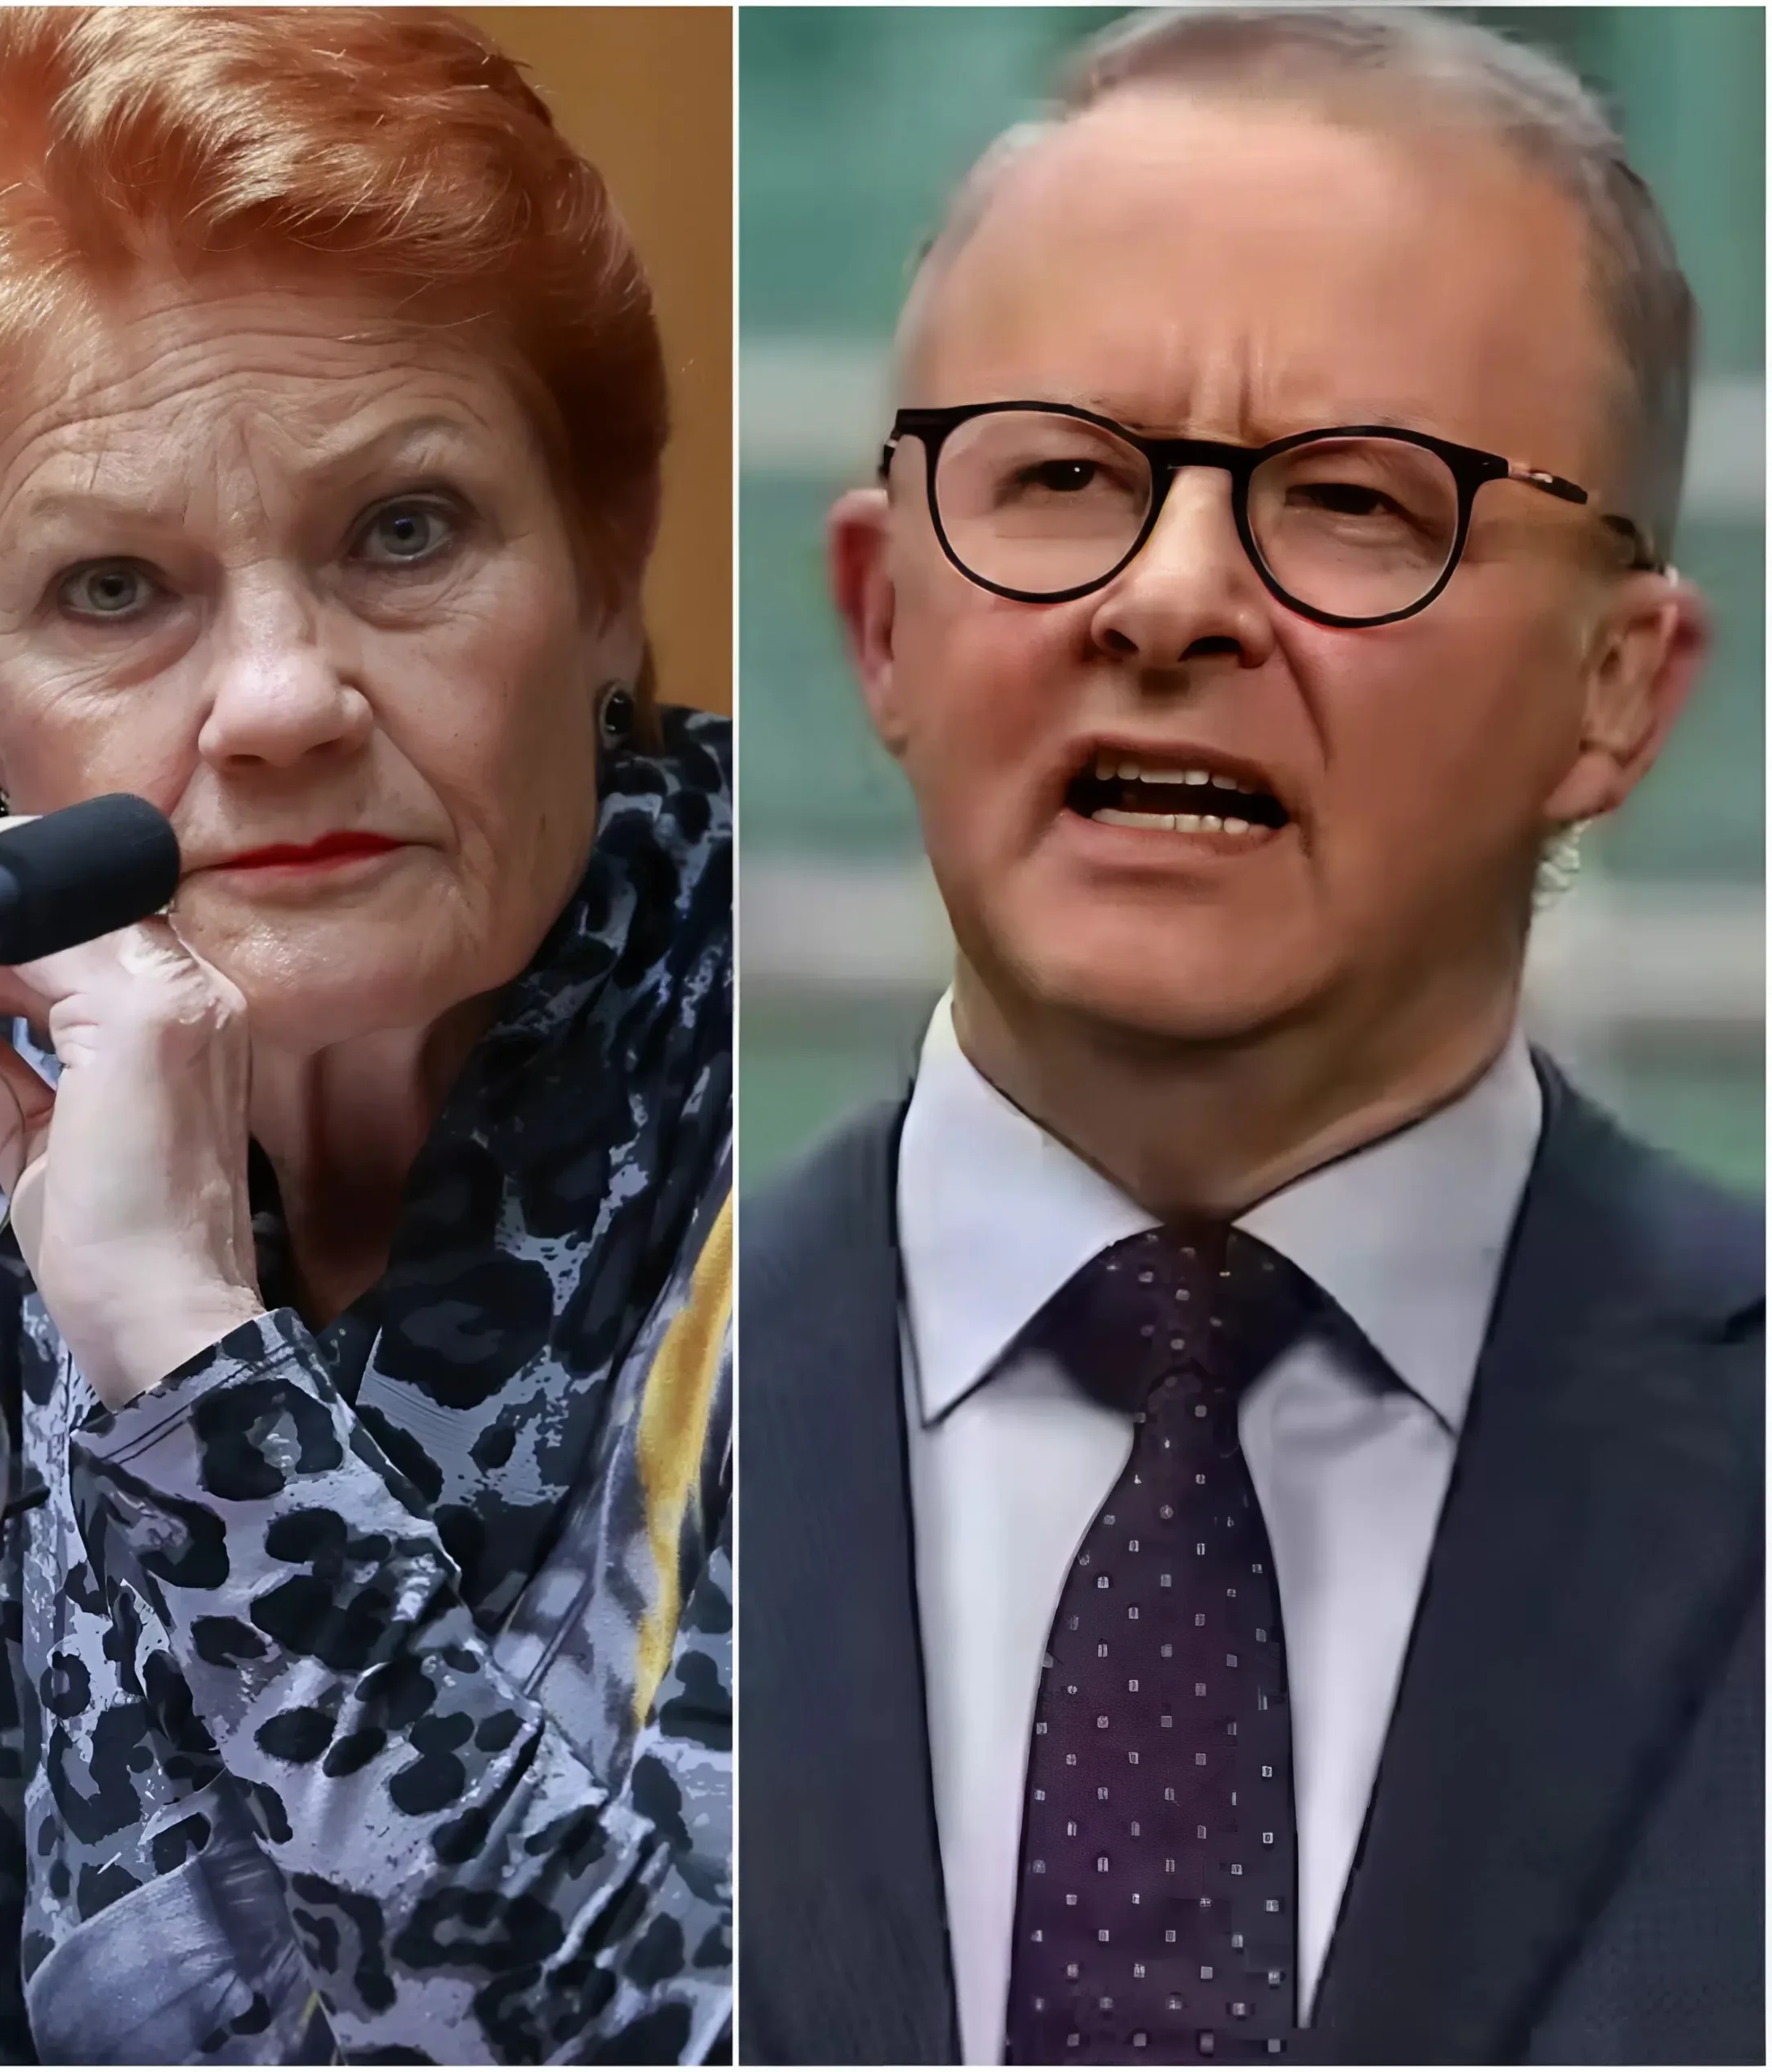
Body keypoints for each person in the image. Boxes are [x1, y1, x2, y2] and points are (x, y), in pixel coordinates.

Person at [739, 8, 1759, 2065]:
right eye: (1057, 479)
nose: (1170, 595)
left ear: (1616, 693)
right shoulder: (490, 1477)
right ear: (878, 624)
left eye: (1354, 504)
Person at [0, 10, 731, 2064]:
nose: (277, 704)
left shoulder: (845, 1128)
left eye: (407, 531)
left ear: (609, 577)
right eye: (112, 585)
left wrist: (188, 1354)